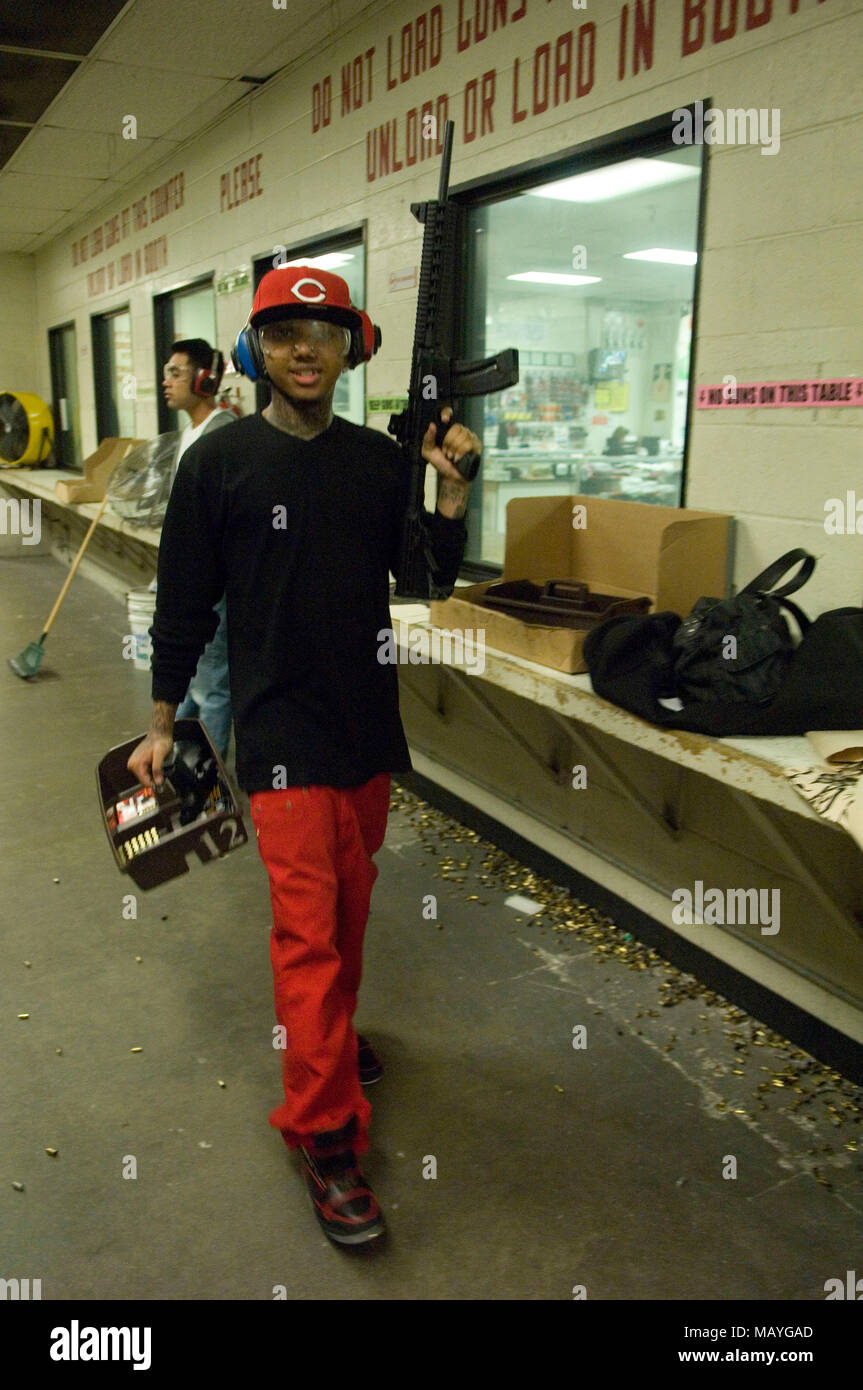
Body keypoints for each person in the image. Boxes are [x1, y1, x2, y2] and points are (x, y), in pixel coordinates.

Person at [127, 265, 480, 1247]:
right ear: (257, 350)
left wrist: (447, 495)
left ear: (347, 347)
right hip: (278, 731)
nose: (304, 347)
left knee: (353, 904)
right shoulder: (221, 463)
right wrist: (164, 725)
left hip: (365, 724)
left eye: (322, 331)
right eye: (283, 331)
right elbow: (183, 603)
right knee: (308, 933)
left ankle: (329, 1041)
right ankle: (322, 1138)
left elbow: (420, 578)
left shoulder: (373, 461)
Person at [159, 339, 235, 759]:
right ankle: (181, 759)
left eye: (176, 372)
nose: (166, 381)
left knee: (213, 685)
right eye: (166, 372)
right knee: (189, 680)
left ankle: (208, 783)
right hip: (188, 580)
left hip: (212, 585)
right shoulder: (189, 433)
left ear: (205, 379)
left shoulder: (220, 434)